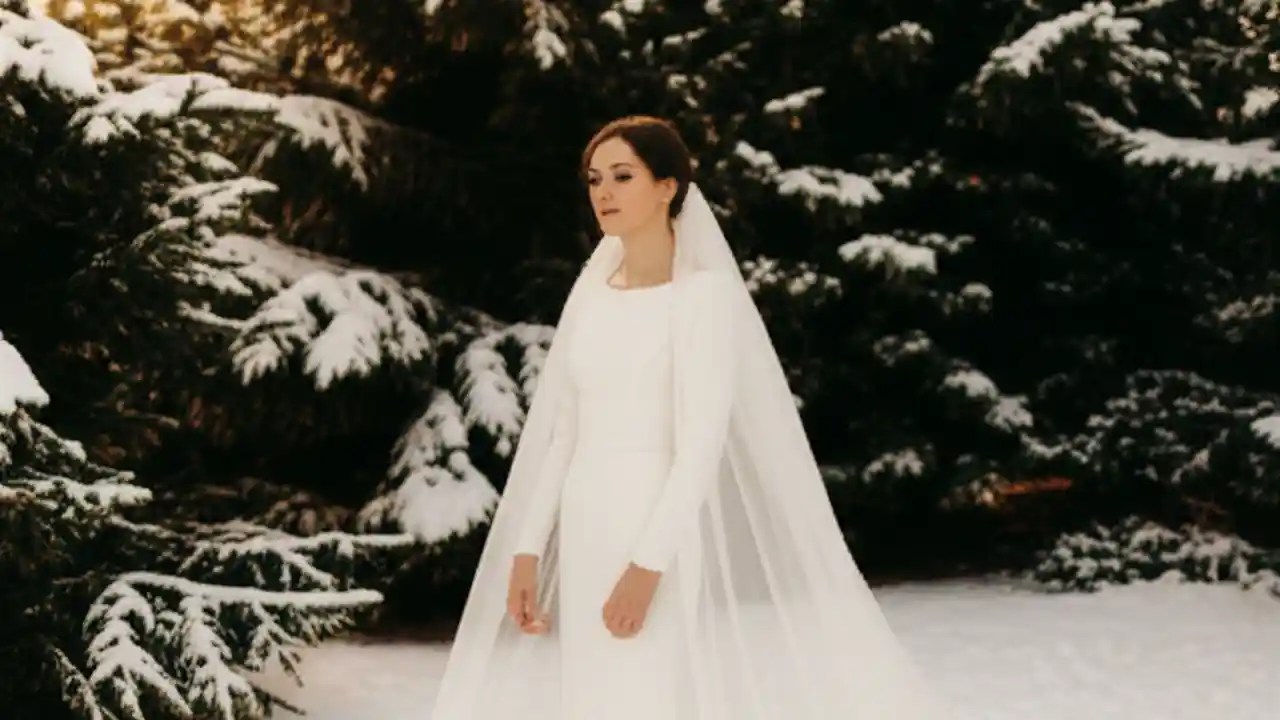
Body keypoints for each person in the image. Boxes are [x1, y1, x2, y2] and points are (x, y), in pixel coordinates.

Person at [429, 115, 952, 719]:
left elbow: (700, 444)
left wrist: (648, 565)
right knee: (595, 699)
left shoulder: (702, 296)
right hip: (586, 522)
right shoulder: (593, 291)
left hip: (655, 525)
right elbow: (564, 435)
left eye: (623, 176)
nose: (603, 192)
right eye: (595, 179)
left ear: (667, 187)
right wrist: (526, 551)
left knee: (650, 693)